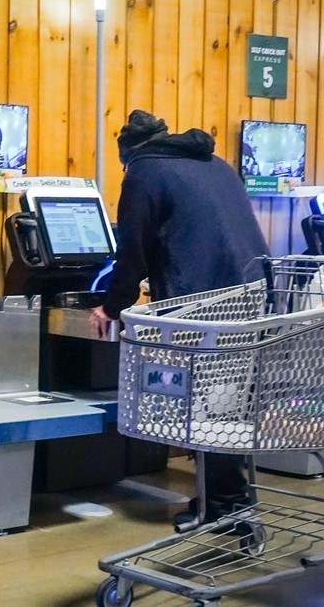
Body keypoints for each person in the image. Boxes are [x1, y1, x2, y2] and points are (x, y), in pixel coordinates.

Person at [90, 109, 269, 526]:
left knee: (205, 401)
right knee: (227, 399)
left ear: (128, 153)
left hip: (204, 301)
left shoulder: (143, 173)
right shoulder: (214, 163)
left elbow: (133, 251)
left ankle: (224, 502)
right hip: (253, 291)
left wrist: (111, 307)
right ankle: (230, 498)